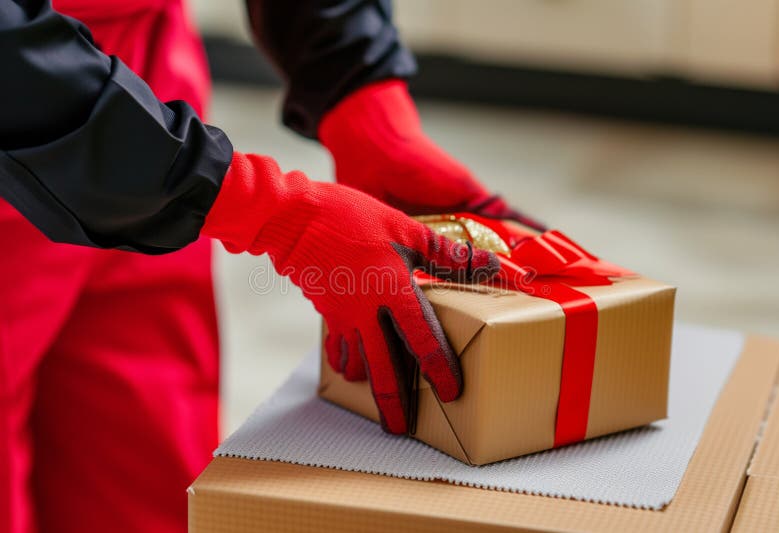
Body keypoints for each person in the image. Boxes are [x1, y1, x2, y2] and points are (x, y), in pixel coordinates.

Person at [0, 1, 540, 532]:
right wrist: (273, 214)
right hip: (25, 85)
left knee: (146, 461)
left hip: (144, 90)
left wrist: (366, 104)